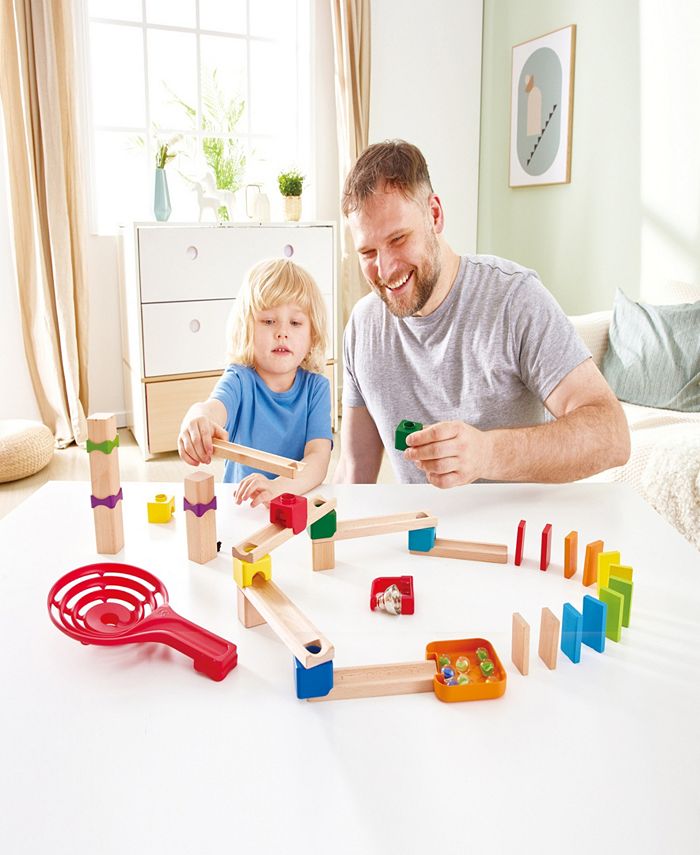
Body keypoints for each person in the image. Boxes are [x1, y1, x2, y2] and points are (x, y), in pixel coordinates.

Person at [333, 140, 630, 486]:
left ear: (434, 214)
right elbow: (353, 473)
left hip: (518, 534)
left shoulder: (514, 298)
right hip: (421, 536)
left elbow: (612, 436)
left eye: (398, 239)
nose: (384, 269)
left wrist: (487, 453)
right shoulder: (364, 326)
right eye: (367, 252)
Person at [178, 257, 333, 506]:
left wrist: (276, 488)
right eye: (269, 321)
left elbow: (318, 460)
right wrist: (196, 421)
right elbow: (212, 409)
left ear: (312, 335)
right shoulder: (240, 379)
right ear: (247, 328)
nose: (282, 332)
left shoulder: (317, 389)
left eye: (295, 323)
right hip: (243, 508)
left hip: (293, 504)